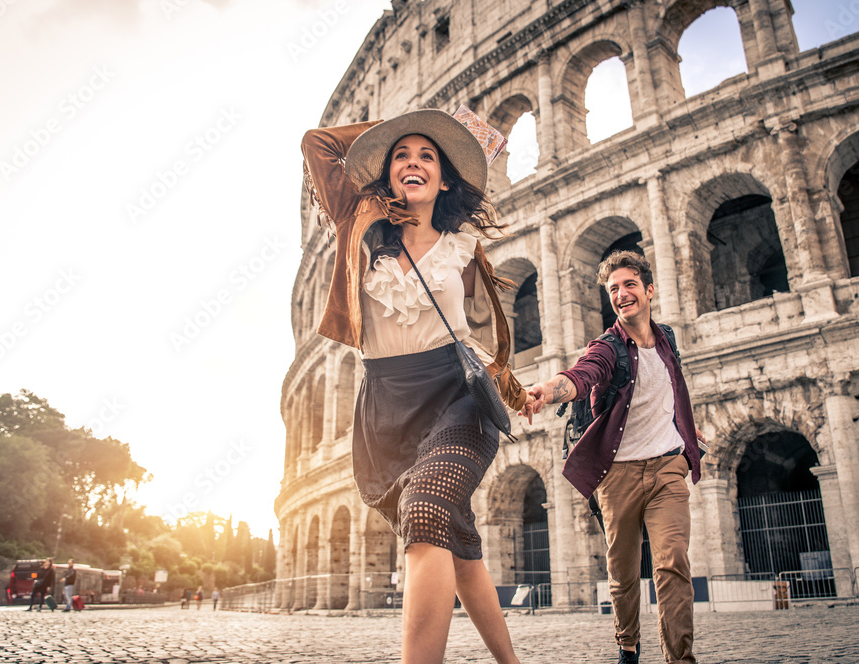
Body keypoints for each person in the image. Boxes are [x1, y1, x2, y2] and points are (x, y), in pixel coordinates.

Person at [301, 109, 528, 664]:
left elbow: (478, 335)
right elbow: (317, 142)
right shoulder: (359, 223)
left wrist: (518, 390)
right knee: (462, 550)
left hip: (456, 399)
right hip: (386, 403)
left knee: (426, 516)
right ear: (386, 173)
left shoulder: (464, 248)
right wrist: (390, 135)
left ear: (445, 179)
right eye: (401, 155)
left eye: (428, 155)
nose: (413, 162)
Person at [521, 251, 706, 664]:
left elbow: (672, 391)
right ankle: (628, 644)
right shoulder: (607, 348)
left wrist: (688, 431)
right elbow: (581, 375)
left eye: (629, 285)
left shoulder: (668, 340)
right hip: (618, 475)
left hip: (667, 468)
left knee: (673, 562)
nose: (622, 295)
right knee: (623, 574)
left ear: (649, 290)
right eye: (613, 289)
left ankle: (681, 658)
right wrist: (548, 392)